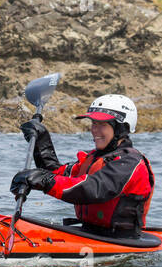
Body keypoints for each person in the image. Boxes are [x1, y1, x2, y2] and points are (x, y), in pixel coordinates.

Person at [11, 93, 153, 237]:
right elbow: (57, 173)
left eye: (102, 125)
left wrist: (45, 181)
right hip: (90, 232)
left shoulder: (130, 163)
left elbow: (91, 189)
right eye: (94, 123)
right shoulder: (95, 158)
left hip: (121, 239)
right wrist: (41, 141)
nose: (95, 130)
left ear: (121, 128)